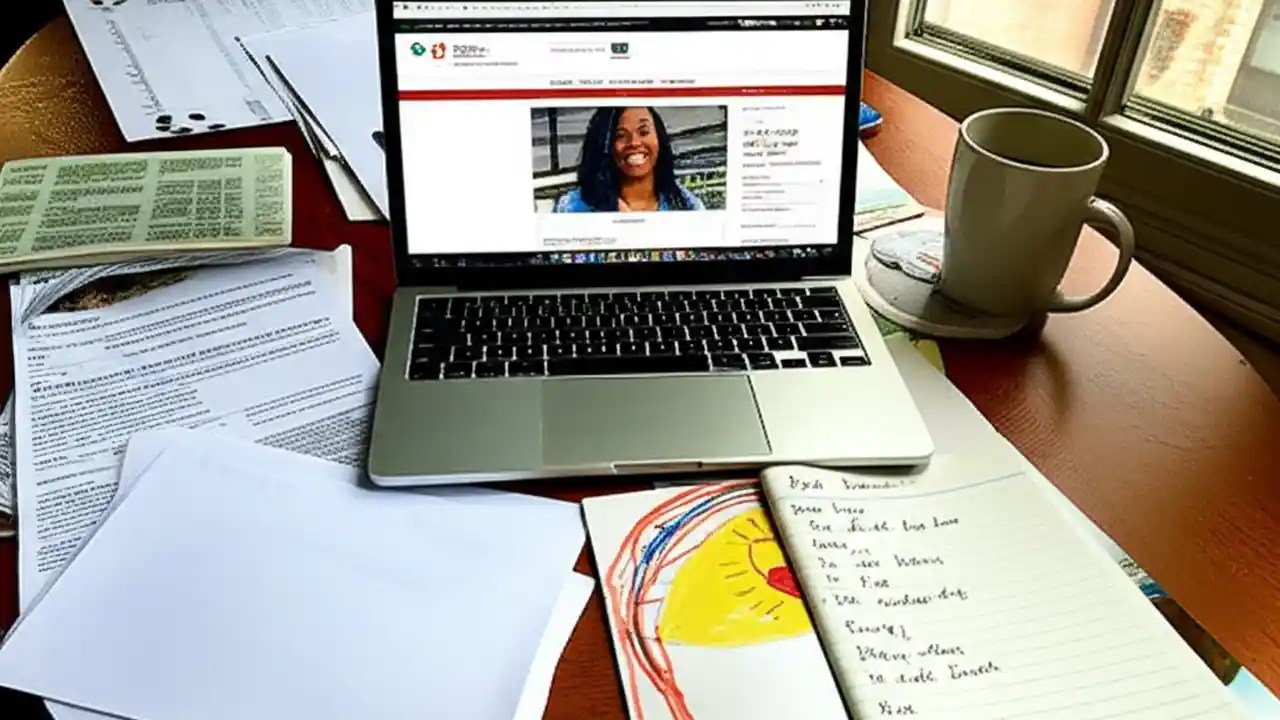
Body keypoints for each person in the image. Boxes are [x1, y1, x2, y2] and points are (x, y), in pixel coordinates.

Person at [554, 106, 705, 213]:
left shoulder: (688, 206)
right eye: (620, 135)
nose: (634, 142)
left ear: (659, 139)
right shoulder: (571, 208)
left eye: (644, 132)